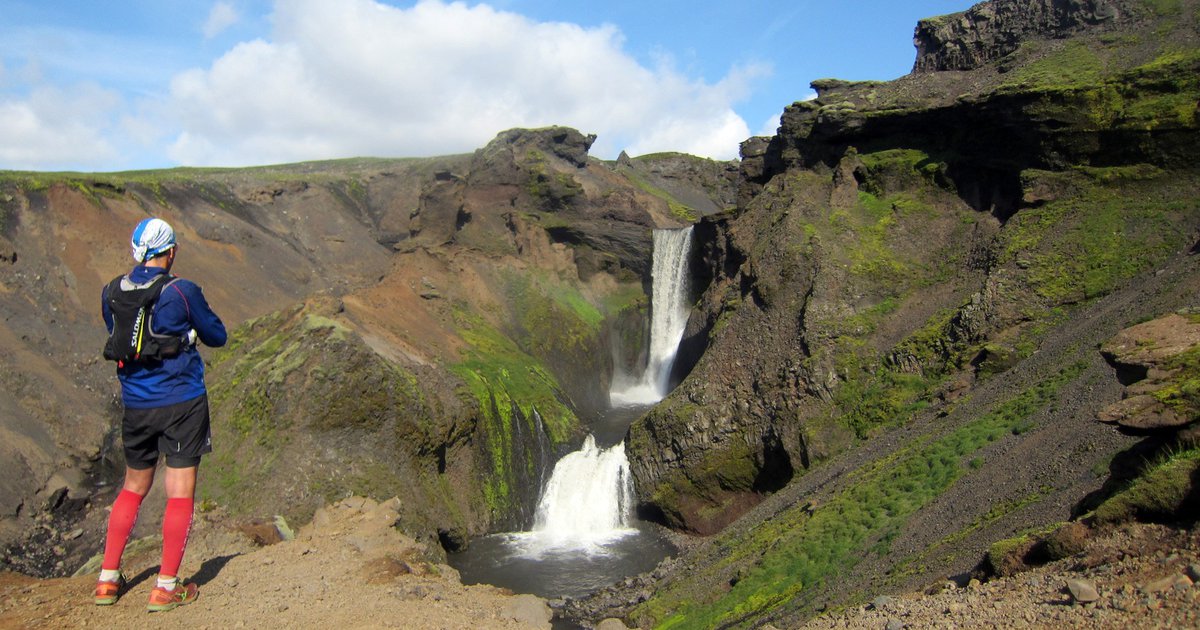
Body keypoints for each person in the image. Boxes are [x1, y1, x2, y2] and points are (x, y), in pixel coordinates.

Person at [93, 217, 227, 612]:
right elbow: (217, 336)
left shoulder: (110, 291)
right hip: (182, 402)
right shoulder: (181, 291)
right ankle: (166, 587)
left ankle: (106, 580)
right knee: (179, 492)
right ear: (170, 252)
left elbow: (122, 337)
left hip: (136, 405)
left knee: (133, 486)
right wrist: (187, 334)